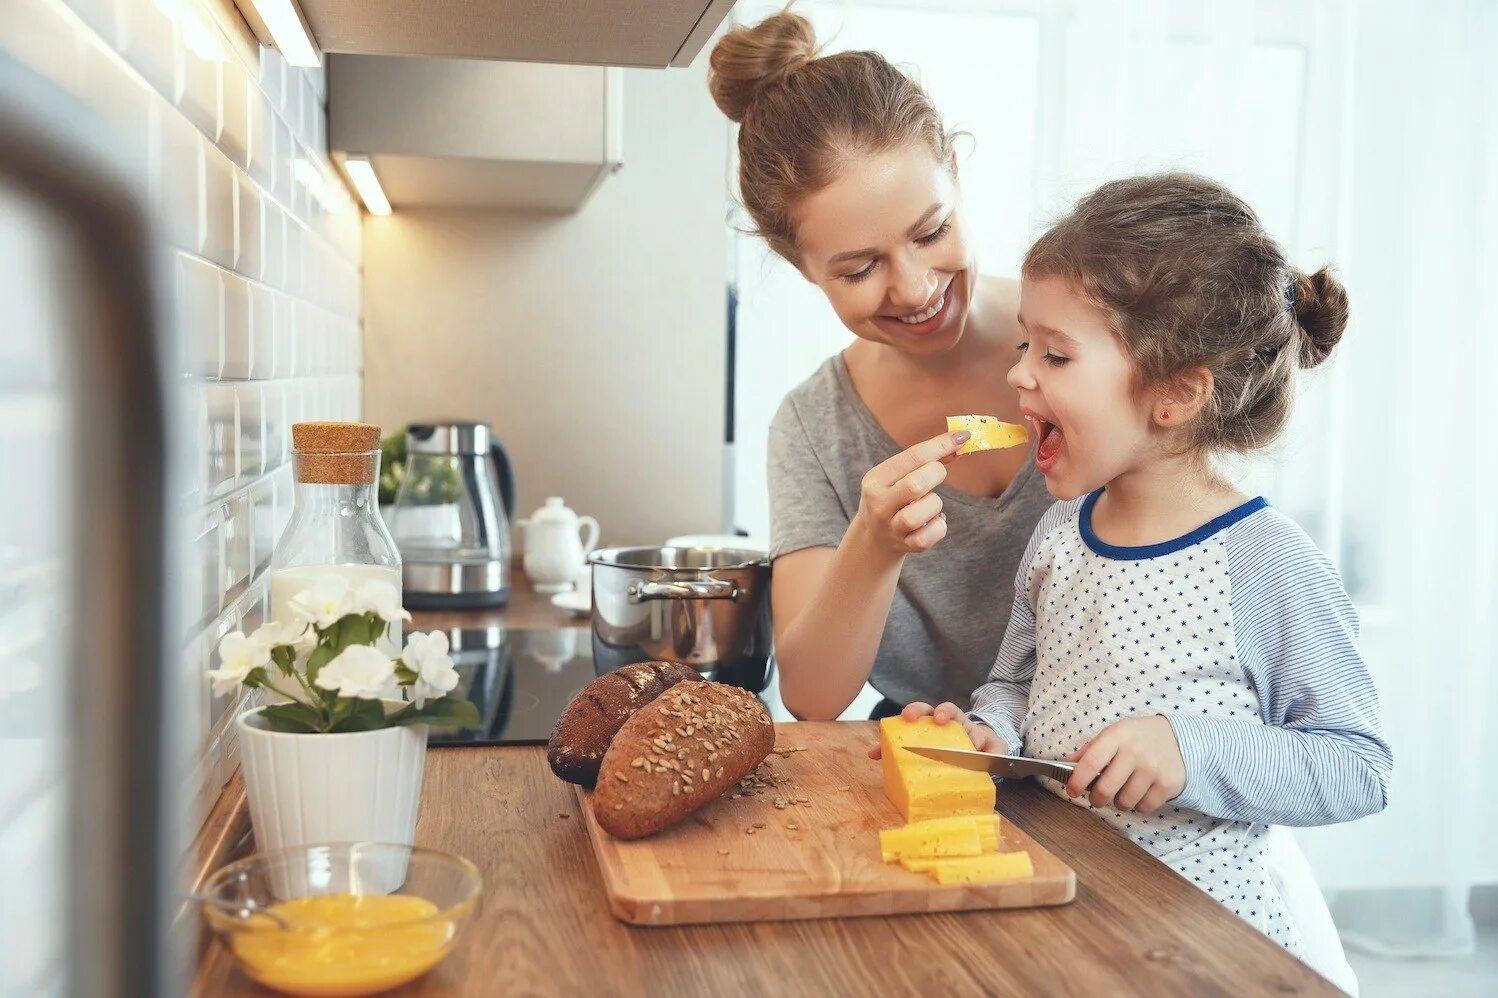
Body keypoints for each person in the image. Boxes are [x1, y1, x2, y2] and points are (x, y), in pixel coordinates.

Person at [896, 173, 1391, 992]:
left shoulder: (1267, 563)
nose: (1020, 375)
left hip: (1206, 958)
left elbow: (1356, 766)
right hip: (1074, 930)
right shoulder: (1060, 533)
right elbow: (1019, 684)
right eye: (1026, 344)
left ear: (1175, 394)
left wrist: (1191, 750)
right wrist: (989, 733)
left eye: (1055, 354)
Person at [708, 11, 1053, 721]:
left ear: (955, 174)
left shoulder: (1093, 342)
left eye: (931, 232)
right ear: (799, 266)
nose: (915, 288)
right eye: (860, 268)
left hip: (1118, 766)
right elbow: (811, 697)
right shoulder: (814, 428)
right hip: (927, 764)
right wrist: (873, 542)